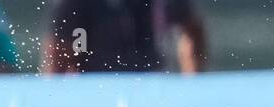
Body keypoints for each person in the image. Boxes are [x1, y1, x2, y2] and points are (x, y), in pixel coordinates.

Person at [42, 0, 208, 74]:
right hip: (96, 92)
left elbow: (193, 30)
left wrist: (191, 81)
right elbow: (60, 52)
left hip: (152, 89)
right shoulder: (78, 4)